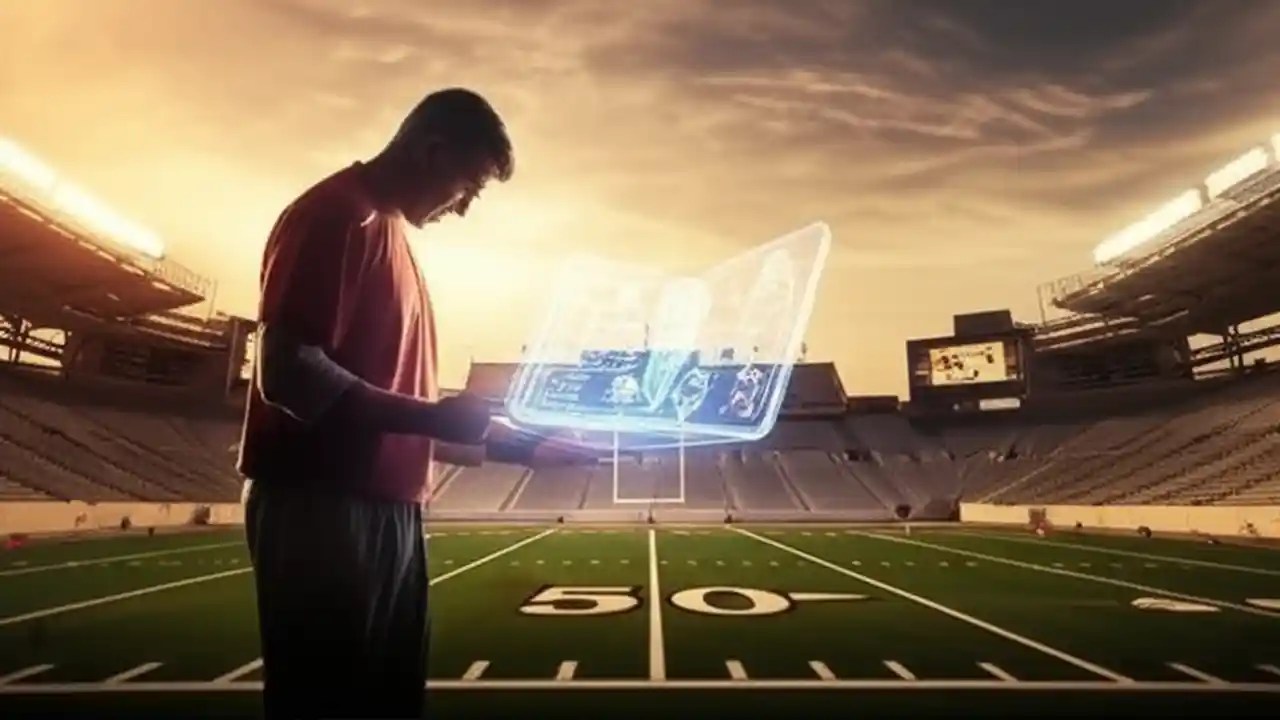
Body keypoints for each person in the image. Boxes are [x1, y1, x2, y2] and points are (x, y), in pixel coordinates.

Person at [238, 87, 520, 720]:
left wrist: (524, 447)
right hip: (325, 504)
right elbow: (288, 371)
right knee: (329, 702)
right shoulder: (339, 215)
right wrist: (433, 416)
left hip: (384, 507)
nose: (462, 208)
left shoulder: (389, 231)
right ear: (432, 151)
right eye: (467, 188)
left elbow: (404, 409)